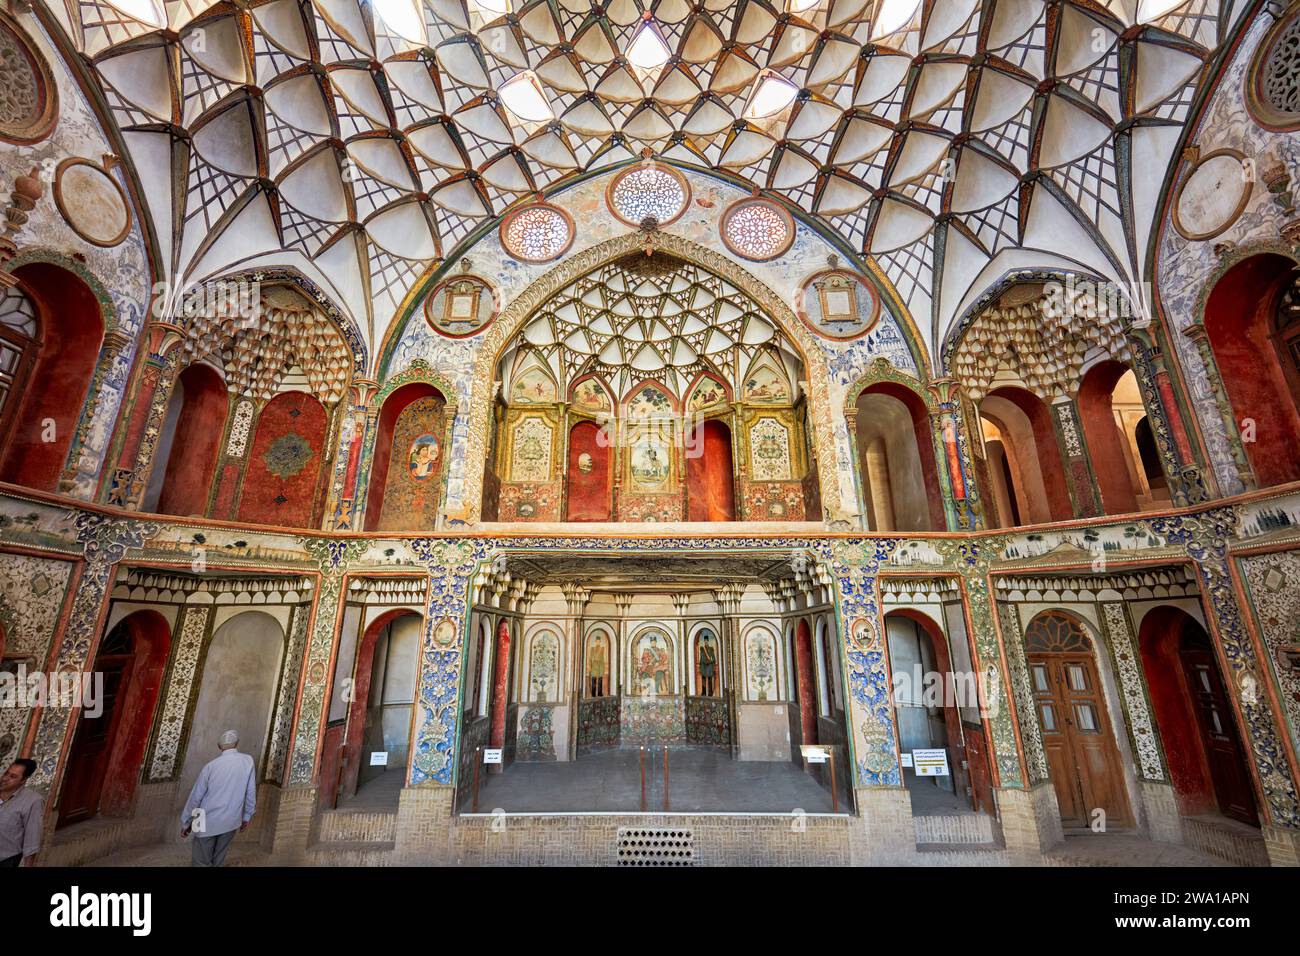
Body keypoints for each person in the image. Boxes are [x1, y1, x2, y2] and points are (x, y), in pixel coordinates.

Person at [180, 730, 256, 867]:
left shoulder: (210, 766)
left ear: (219, 747)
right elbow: (250, 792)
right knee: (219, 860)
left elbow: (196, 797)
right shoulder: (247, 761)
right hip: (231, 820)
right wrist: (247, 816)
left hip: (204, 819)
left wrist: (186, 822)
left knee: (200, 862)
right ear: (237, 744)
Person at [0, 758, 43, 867]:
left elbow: (31, 841)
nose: (5, 778)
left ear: (23, 780)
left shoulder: (32, 801)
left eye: (13, 777)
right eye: (6, 773)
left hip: (6, 861)